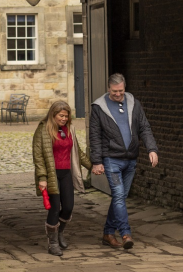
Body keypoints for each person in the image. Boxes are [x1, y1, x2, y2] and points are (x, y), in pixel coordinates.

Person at [89, 73, 158, 250]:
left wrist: (152, 149)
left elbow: (144, 127)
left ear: (124, 88)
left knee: (120, 197)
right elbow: (94, 136)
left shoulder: (133, 103)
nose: (118, 94)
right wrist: (96, 161)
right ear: (108, 88)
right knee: (119, 196)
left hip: (131, 159)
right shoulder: (99, 107)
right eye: (114, 91)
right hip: (112, 159)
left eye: (120, 91)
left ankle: (108, 233)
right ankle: (126, 233)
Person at [32, 100, 92, 256]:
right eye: (61, 116)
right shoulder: (43, 130)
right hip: (52, 175)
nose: (64, 119)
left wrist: (93, 166)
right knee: (54, 208)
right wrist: (42, 177)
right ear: (53, 115)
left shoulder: (69, 130)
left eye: (66, 116)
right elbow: (38, 156)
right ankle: (52, 243)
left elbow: (77, 153)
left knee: (68, 207)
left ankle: (59, 233)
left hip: (66, 174)